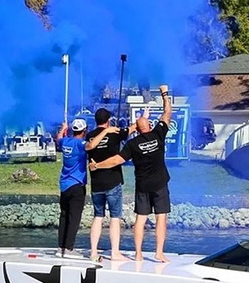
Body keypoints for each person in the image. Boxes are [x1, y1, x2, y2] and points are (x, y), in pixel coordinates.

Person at [91, 85, 173, 263]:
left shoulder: (133, 145)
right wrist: (164, 94)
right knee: (161, 218)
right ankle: (159, 252)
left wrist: (97, 165)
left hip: (142, 186)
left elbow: (116, 160)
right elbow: (167, 114)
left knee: (140, 219)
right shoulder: (158, 134)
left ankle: (138, 253)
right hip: (160, 184)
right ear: (149, 125)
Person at [85, 108, 136, 262]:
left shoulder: (90, 136)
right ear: (108, 120)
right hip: (113, 181)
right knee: (115, 217)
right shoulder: (115, 133)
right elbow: (133, 129)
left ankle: (93, 252)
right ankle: (115, 253)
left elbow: (90, 147)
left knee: (98, 216)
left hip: (96, 183)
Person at [56, 117, 88, 258]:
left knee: (64, 216)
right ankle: (69, 248)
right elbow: (91, 147)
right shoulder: (81, 144)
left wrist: (63, 129)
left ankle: (60, 247)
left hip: (64, 185)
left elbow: (58, 139)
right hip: (76, 184)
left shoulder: (65, 141)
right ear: (85, 130)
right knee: (74, 217)